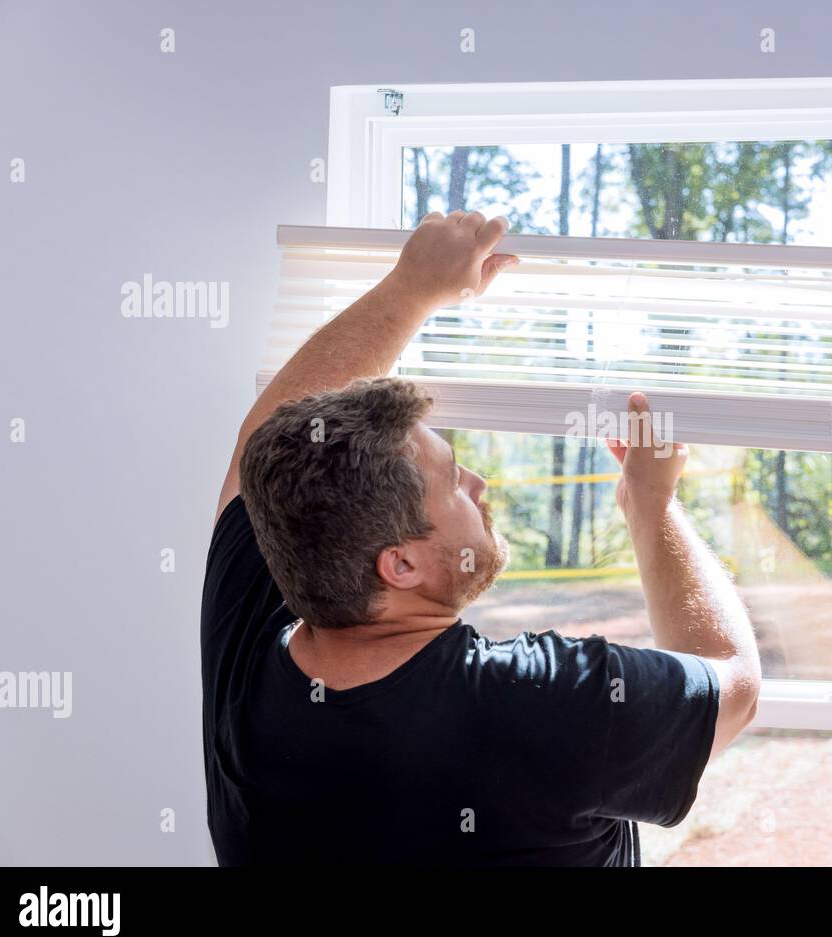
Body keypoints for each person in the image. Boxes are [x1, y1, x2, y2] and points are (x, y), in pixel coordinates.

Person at [201, 209, 761, 865]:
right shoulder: (537, 704)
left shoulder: (251, 655)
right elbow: (735, 686)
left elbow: (261, 449)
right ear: (400, 564)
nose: (479, 482)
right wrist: (653, 505)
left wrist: (409, 290)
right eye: (450, 480)